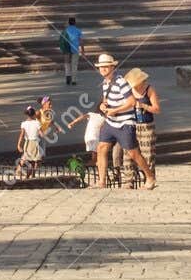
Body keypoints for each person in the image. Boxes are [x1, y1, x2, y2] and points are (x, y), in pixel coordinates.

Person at [93, 53, 156, 191]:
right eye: (100, 67)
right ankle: (101, 181)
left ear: (112, 67)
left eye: (105, 66)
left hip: (125, 122)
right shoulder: (105, 83)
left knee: (133, 153)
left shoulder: (121, 82)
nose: (102, 69)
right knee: (101, 148)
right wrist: (103, 106)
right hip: (111, 122)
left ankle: (150, 177)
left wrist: (115, 110)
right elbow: (106, 100)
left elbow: (131, 102)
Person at [124, 67, 160, 173]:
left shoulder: (149, 90)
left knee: (147, 154)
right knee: (128, 153)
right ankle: (129, 180)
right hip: (131, 124)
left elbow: (157, 109)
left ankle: (148, 178)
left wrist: (144, 106)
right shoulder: (129, 91)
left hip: (146, 126)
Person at [14, 103, 43, 180]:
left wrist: (18, 145)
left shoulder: (24, 124)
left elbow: (21, 135)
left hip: (27, 143)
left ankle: (26, 174)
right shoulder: (37, 123)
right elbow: (41, 134)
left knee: (28, 160)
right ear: (34, 115)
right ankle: (31, 175)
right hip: (34, 143)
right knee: (36, 160)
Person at [59, 16, 84, 84]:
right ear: (75, 23)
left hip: (67, 49)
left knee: (67, 63)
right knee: (74, 64)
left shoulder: (65, 31)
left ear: (68, 23)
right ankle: (74, 80)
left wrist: (62, 49)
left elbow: (61, 41)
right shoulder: (78, 30)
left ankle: (67, 75)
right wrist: (82, 50)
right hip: (75, 49)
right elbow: (81, 41)